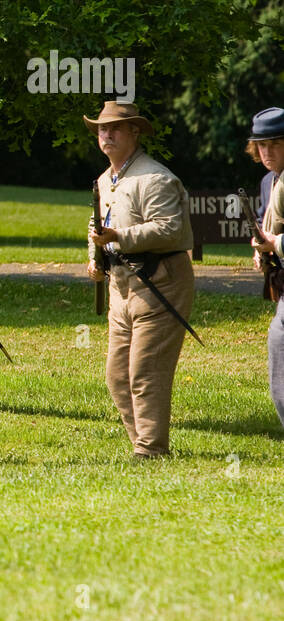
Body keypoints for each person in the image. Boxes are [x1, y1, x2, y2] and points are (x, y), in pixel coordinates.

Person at [85, 101, 195, 458]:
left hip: (160, 283)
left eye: (116, 128)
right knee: (118, 376)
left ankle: (150, 450)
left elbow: (170, 228)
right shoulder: (105, 179)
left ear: (135, 132)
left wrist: (118, 236)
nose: (108, 134)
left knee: (145, 372)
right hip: (122, 288)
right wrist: (95, 258)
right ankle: (144, 443)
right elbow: (98, 230)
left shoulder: (155, 178)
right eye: (102, 129)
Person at [246, 107, 284, 428]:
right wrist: (260, 247)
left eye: (274, 144)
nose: (267, 152)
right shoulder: (267, 181)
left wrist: (275, 244)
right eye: (262, 145)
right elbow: (264, 221)